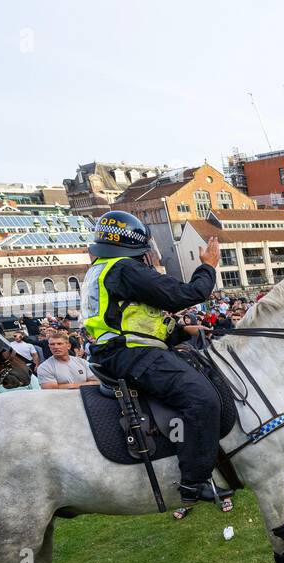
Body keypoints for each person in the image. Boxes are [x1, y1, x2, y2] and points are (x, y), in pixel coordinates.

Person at [81, 210, 222, 510]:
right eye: (146, 252)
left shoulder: (103, 269)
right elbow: (185, 294)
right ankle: (193, 483)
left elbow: (138, 321)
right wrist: (207, 267)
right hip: (131, 354)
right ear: (132, 247)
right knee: (202, 399)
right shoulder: (124, 269)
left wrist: (183, 330)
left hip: (123, 348)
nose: (150, 258)